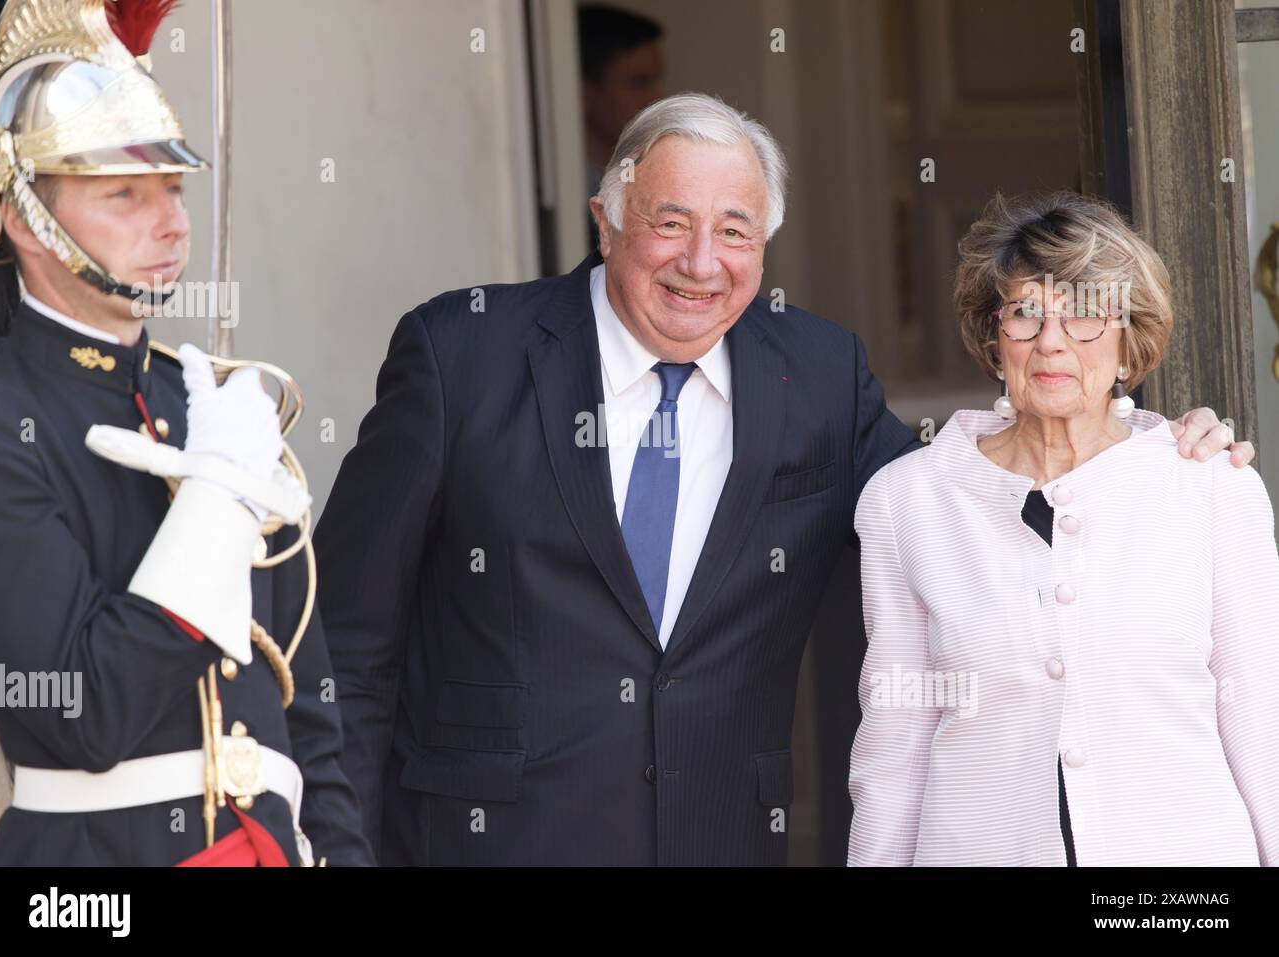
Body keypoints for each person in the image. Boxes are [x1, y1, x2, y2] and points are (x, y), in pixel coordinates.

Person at [315, 94, 1250, 866]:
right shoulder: (459, 353)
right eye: (669, 222)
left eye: (736, 230)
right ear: (607, 218)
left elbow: (973, 493)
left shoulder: (817, 377)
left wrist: (1148, 443)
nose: (701, 262)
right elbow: (342, 646)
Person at [0, 0, 370, 866]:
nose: (170, 222)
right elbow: (83, 713)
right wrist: (217, 504)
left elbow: (308, 720)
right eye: (123, 192)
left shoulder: (216, 405)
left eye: (173, 187)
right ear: (23, 217)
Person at [847, 190, 1279, 866]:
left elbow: (1263, 723)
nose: (1051, 340)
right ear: (994, 337)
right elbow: (893, 749)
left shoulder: (1212, 487)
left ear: (1129, 341)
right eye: (1025, 313)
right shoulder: (908, 503)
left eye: (1083, 313)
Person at [579, 4, 665, 248]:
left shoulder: (654, 180)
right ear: (585, 92)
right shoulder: (550, 199)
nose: (657, 98)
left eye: (657, 81)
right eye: (639, 82)